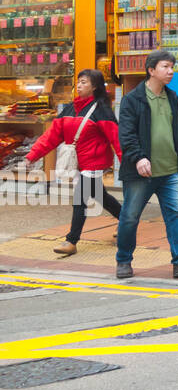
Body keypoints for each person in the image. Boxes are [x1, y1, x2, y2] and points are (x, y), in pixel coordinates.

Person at [116, 50, 178, 279]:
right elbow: (126, 135)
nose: (170, 72)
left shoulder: (173, 98)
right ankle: (124, 260)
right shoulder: (133, 99)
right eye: (165, 67)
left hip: (169, 171)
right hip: (141, 172)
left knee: (176, 214)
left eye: (172, 67)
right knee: (130, 216)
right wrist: (138, 157)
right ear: (151, 70)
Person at [27, 69, 122, 257]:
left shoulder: (102, 109)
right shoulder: (69, 109)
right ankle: (128, 220)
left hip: (94, 163)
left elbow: (117, 138)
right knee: (101, 196)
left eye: (84, 82)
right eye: (78, 82)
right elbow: (51, 137)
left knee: (80, 200)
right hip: (78, 163)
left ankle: (71, 241)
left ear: (94, 86)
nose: (79, 85)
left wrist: (127, 162)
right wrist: (32, 156)